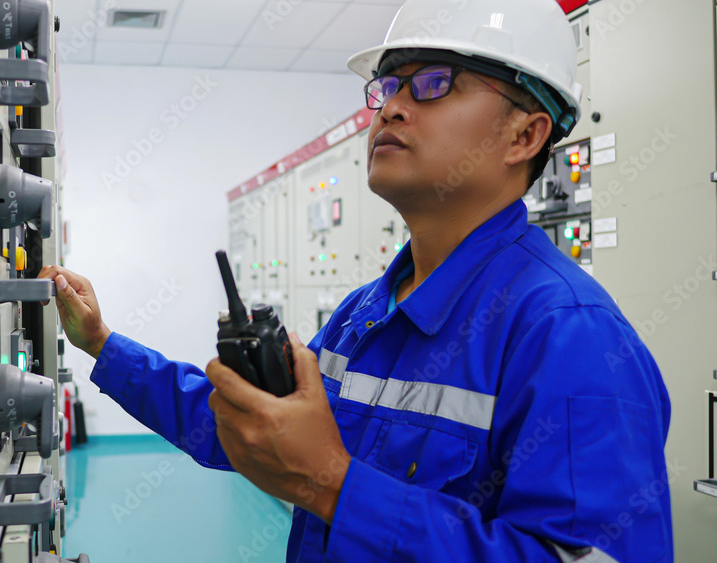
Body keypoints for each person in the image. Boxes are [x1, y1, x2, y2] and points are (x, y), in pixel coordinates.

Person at [40, 0, 673, 560]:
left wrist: (332, 485)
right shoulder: (363, 315)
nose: (391, 106)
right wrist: (101, 342)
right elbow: (255, 431)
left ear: (525, 135)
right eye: (388, 86)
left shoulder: (568, 336)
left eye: (433, 83)